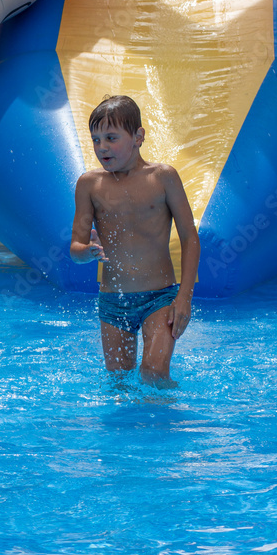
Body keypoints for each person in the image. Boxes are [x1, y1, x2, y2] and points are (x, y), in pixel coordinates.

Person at [70, 95, 200, 387]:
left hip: (160, 297)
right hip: (113, 301)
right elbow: (75, 249)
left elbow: (190, 237)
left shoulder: (162, 178)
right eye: (96, 139)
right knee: (119, 382)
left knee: (153, 373)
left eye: (111, 138)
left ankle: (169, 425)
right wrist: (87, 252)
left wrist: (184, 298)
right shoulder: (89, 185)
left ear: (138, 136)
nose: (102, 147)